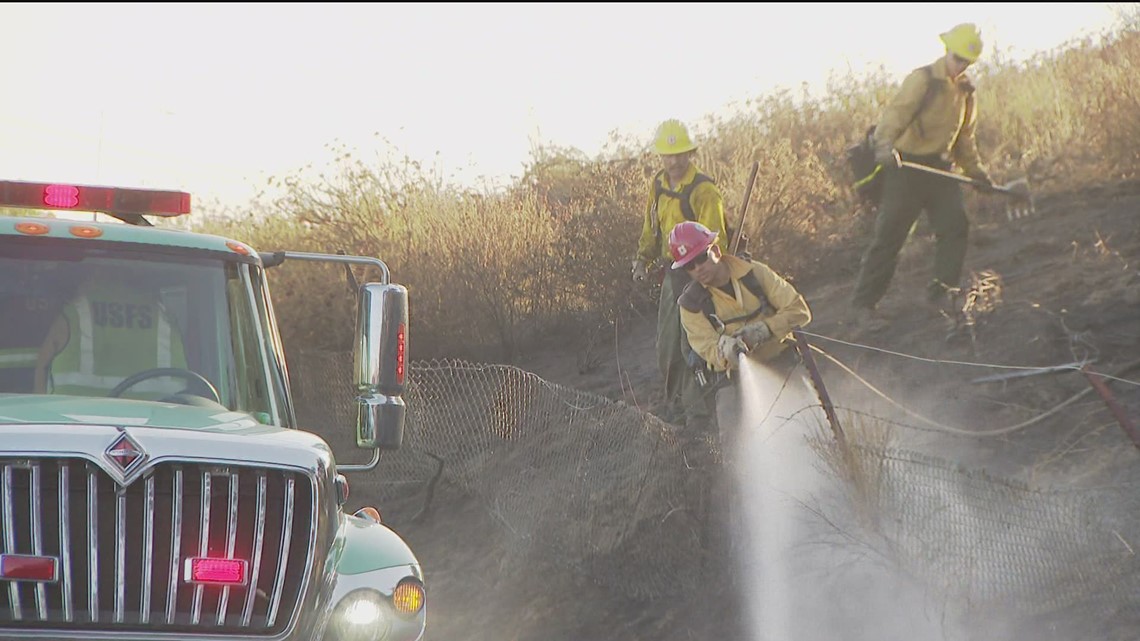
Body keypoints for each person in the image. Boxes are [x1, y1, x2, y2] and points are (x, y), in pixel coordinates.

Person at [851, 23, 995, 330]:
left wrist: (976, 172)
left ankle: (942, 296)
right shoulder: (923, 80)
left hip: (941, 170)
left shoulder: (967, 93)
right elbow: (895, 115)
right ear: (948, 51)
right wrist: (885, 146)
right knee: (890, 237)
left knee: (955, 226)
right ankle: (864, 306)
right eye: (958, 58)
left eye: (967, 62)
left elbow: (964, 140)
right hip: (906, 169)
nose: (961, 65)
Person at [670, 221, 812, 450]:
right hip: (733, 380)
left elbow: (799, 310)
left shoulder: (755, 273)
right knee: (735, 446)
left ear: (715, 251)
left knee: (810, 422)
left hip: (781, 362)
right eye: (689, 266)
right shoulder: (690, 305)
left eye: (701, 258)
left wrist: (764, 330)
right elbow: (706, 346)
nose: (698, 268)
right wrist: (726, 348)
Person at [631, 119, 729, 431]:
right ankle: (677, 405)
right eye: (667, 155)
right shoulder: (659, 184)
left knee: (692, 345)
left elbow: (717, 239)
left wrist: (708, 277)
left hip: (698, 274)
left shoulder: (704, 190)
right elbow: (652, 227)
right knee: (668, 346)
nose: (673, 161)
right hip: (670, 275)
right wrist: (641, 260)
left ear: (689, 153)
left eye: (679, 154)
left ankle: (699, 417)